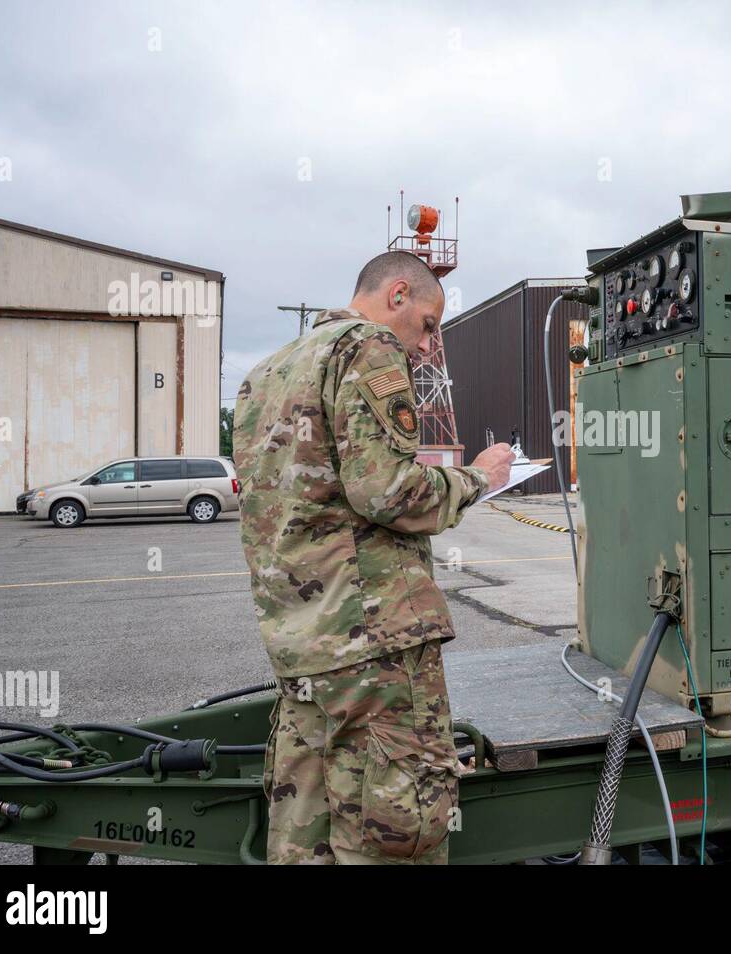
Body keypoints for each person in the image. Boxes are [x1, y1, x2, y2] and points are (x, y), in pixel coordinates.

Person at [232, 250, 514, 864]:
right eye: (429, 324)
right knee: (395, 824)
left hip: (302, 639)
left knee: (304, 825)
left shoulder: (265, 373)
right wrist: (477, 480)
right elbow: (387, 493)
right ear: (397, 296)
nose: (425, 345)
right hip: (374, 639)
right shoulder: (367, 349)